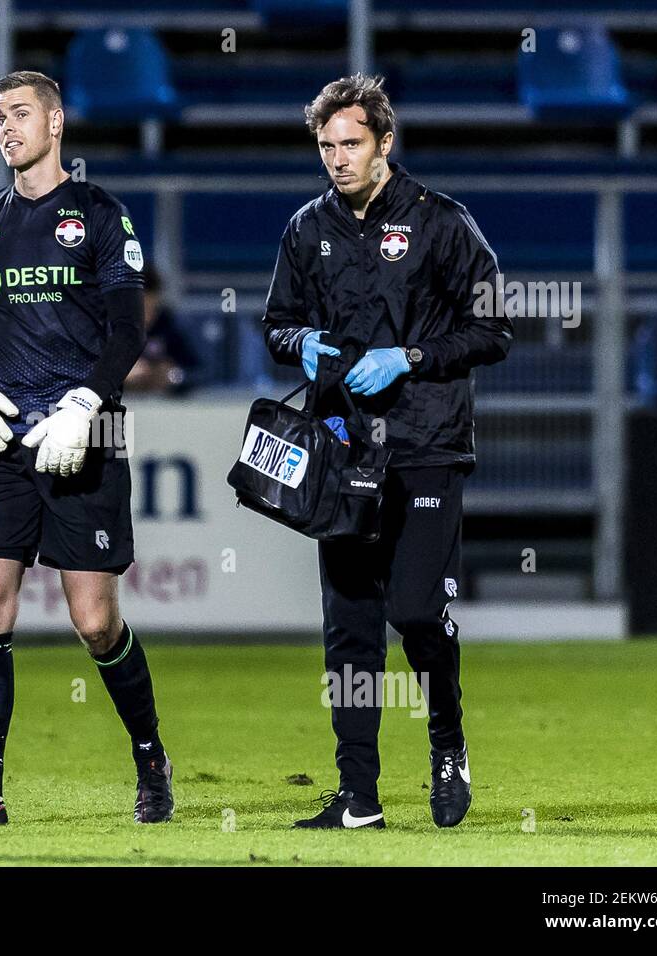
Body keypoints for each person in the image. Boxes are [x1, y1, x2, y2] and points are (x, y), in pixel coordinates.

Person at [262, 75, 512, 830]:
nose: (338, 158)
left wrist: (409, 356)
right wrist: (299, 341)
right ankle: (358, 795)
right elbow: (276, 324)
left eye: (352, 143)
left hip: (427, 445)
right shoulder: (307, 228)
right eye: (327, 146)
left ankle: (447, 745)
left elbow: (494, 332)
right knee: (349, 627)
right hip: (342, 450)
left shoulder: (443, 224)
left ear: (385, 142)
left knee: (415, 610)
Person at [0, 70, 173, 825]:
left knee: (94, 620)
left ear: (56, 122)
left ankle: (150, 759)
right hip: (2, 439)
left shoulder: (100, 215)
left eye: (20, 114)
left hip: (84, 434)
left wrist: (85, 401)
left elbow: (130, 331)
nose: (7, 127)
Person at [124, 266, 200, 394]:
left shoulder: (167, 325)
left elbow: (196, 372)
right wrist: (119, 376)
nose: (147, 316)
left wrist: (172, 375)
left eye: (152, 308)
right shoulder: (104, 328)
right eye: (140, 308)